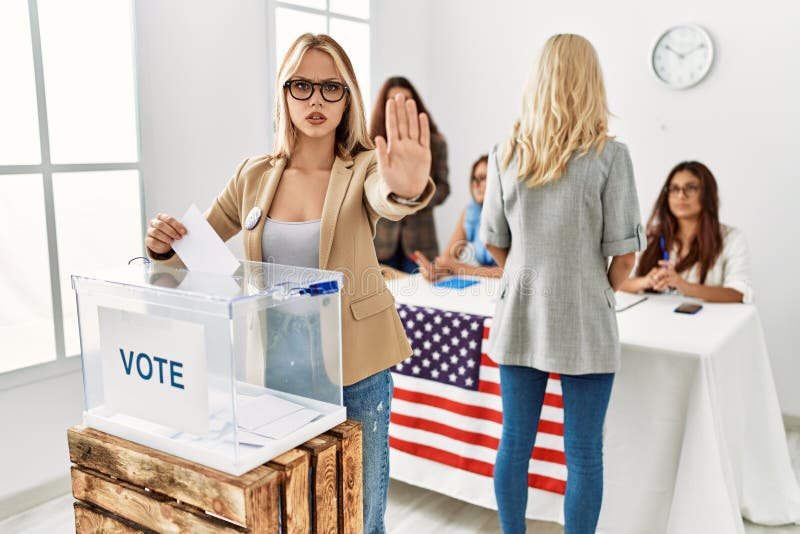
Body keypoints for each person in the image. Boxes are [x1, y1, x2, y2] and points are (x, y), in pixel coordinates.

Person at [143, 33, 435, 533]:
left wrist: (405, 189)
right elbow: (194, 251)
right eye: (302, 85)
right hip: (275, 377)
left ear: (349, 98)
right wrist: (162, 246)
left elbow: (387, 196)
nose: (316, 100)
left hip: (354, 371)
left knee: (359, 515)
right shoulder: (253, 175)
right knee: (289, 514)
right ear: (284, 93)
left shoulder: (364, 167)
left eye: (331, 87)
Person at [479, 34, 644, 533]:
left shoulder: (505, 153)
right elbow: (624, 256)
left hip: (521, 311)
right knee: (584, 454)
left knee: (515, 443)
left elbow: (496, 243)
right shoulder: (611, 157)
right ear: (592, 83)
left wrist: (530, 271)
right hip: (586, 316)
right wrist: (591, 283)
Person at [620, 161, 752, 303]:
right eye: (675, 189)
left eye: (690, 188)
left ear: (707, 194)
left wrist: (683, 285)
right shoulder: (651, 236)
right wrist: (647, 281)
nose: (681, 195)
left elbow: (738, 294)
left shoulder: (731, 238)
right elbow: (619, 282)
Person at [370, 76, 450, 273]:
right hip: (381, 243)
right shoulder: (372, 144)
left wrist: (416, 196)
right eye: (393, 100)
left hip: (420, 242)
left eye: (406, 99)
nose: (400, 105)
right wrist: (395, 195)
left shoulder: (435, 143)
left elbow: (443, 187)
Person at [416, 154, 502, 281]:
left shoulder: (512, 216)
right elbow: (447, 259)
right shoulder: (471, 212)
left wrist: (459, 268)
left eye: (483, 177)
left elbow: (511, 273)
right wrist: (435, 270)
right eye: (474, 178)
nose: (476, 184)